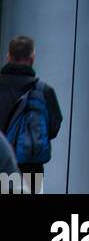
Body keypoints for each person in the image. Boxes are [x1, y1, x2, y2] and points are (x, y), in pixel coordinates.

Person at [0, 36, 63, 181]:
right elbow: (52, 129)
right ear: (32, 58)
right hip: (31, 169)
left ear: (8, 57)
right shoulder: (43, 91)